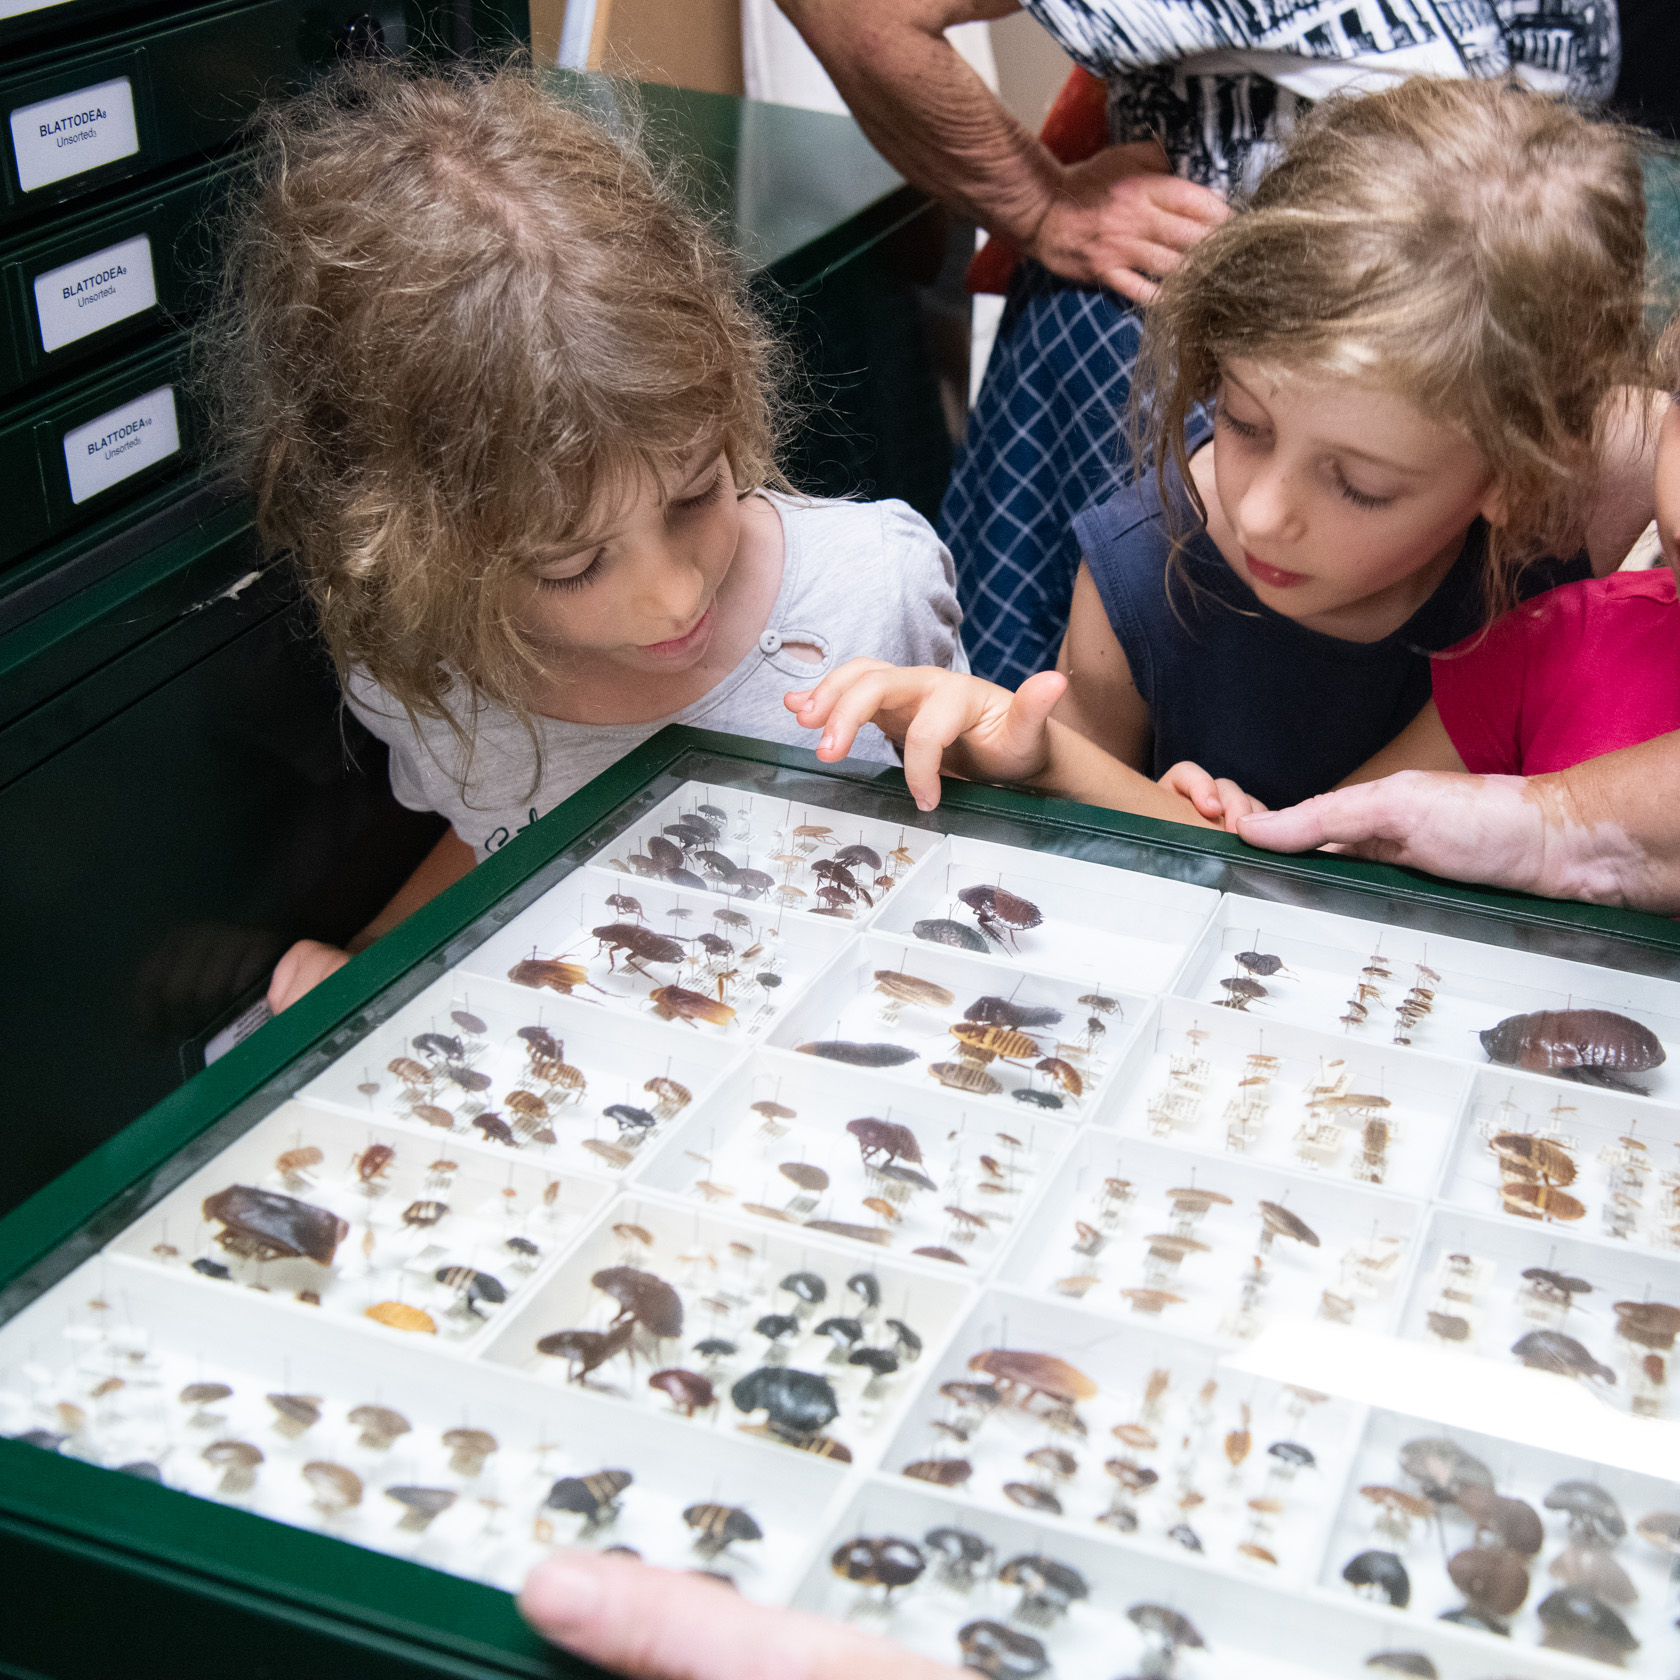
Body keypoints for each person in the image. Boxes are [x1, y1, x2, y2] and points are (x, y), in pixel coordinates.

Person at [207, 64, 1209, 1013]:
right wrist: (377, 958)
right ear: (424, 557)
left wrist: (1016, 763)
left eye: (695, 495)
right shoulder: (426, 673)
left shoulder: (873, 585)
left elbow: (987, 858)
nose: (677, 596)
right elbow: (502, 836)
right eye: (572, 565)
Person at [788, 79, 1661, 816]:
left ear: (1521, 472)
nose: (1262, 513)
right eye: (1244, 422)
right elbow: (1072, 825)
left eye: (1359, 484)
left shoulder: (1614, 481)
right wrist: (1079, 778)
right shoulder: (1140, 573)